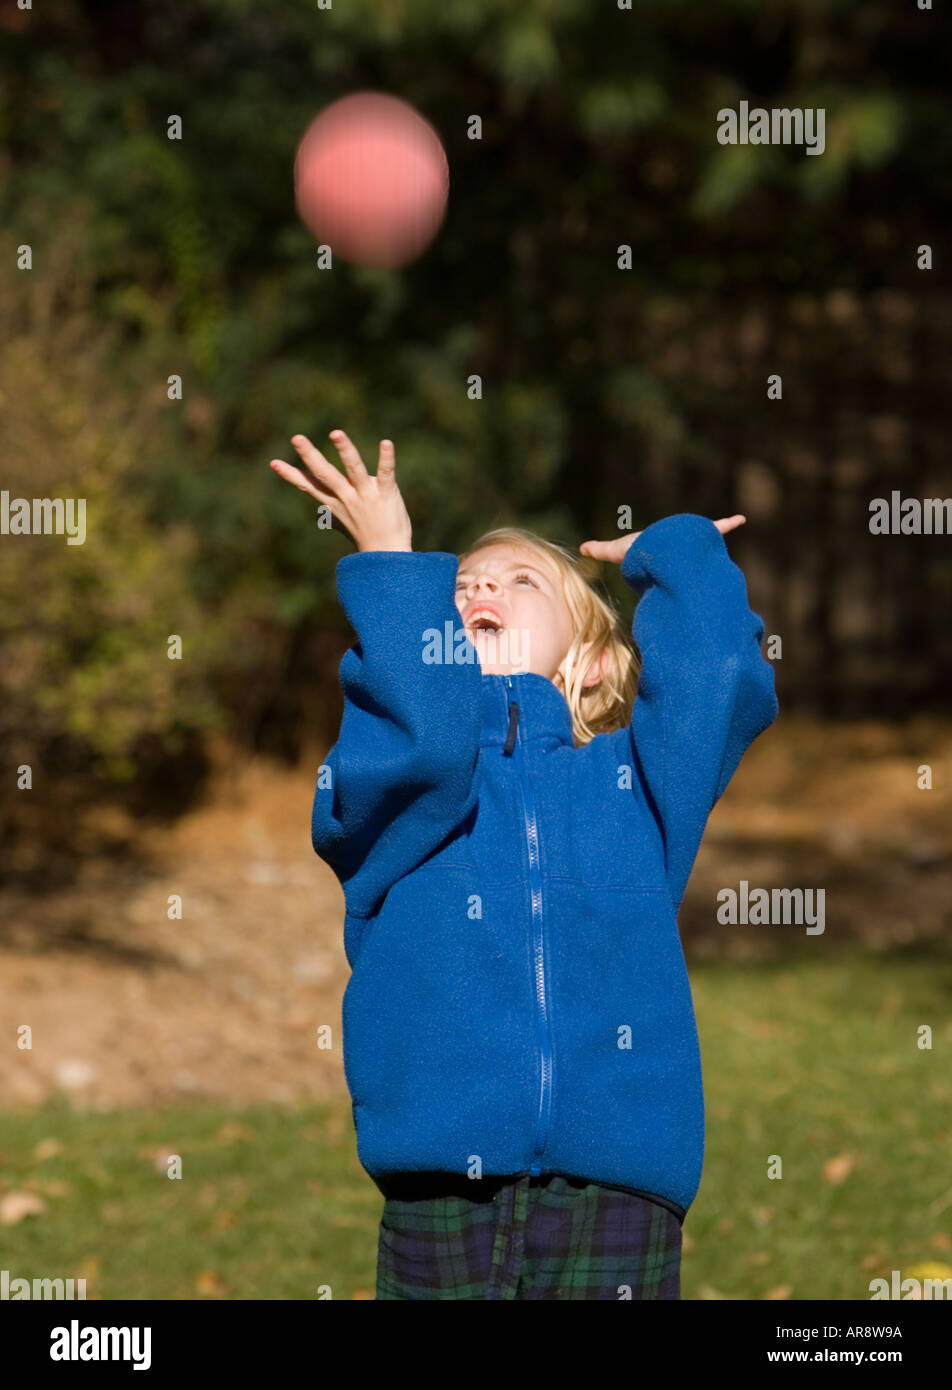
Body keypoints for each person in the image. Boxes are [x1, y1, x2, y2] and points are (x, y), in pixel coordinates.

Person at [270, 428, 779, 1300]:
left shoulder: (636, 788)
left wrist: (676, 554)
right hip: (440, 1192)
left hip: (618, 1193)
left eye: (519, 581)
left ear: (594, 664)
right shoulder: (403, 792)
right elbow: (424, 739)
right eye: (461, 585)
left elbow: (721, 680)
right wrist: (394, 566)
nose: (477, 590)